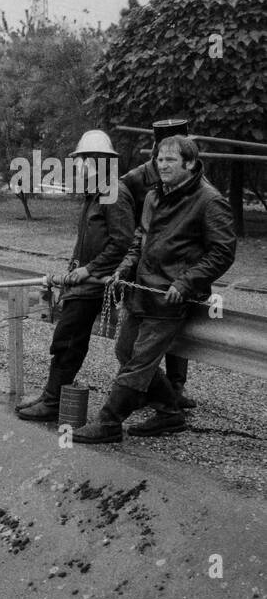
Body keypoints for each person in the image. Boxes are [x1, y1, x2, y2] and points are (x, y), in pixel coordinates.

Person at [73, 135, 236, 443]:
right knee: (125, 351)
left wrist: (186, 283)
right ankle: (169, 412)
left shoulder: (209, 200)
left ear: (189, 163)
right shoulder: (153, 197)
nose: (162, 165)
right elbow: (139, 239)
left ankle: (109, 422)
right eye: (159, 159)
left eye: (170, 160)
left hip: (171, 298)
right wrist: (123, 269)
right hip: (142, 291)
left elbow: (223, 252)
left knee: (139, 360)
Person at [16, 130, 135, 421]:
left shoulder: (112, 193)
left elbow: (121, 242)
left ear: (99, 161)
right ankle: (51, 395)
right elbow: (88, 240)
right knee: (67, 339)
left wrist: (90, 270)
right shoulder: (94, 193)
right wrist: (73, 267)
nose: (78, 166)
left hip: (96, 284)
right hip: (83, 280)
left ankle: (53, 401)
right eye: (79, 161)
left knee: (68, 339)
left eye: (82, 160)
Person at [121, 117, 197, 409]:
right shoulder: (143, 175)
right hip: (148, 261)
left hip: (181, 266)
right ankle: (155, 390)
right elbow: (121, 191)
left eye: (173, 154)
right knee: (136, 342)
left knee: (174, 333)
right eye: (161, 154)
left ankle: (173, 389)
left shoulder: (196, 181)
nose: (165, 162)